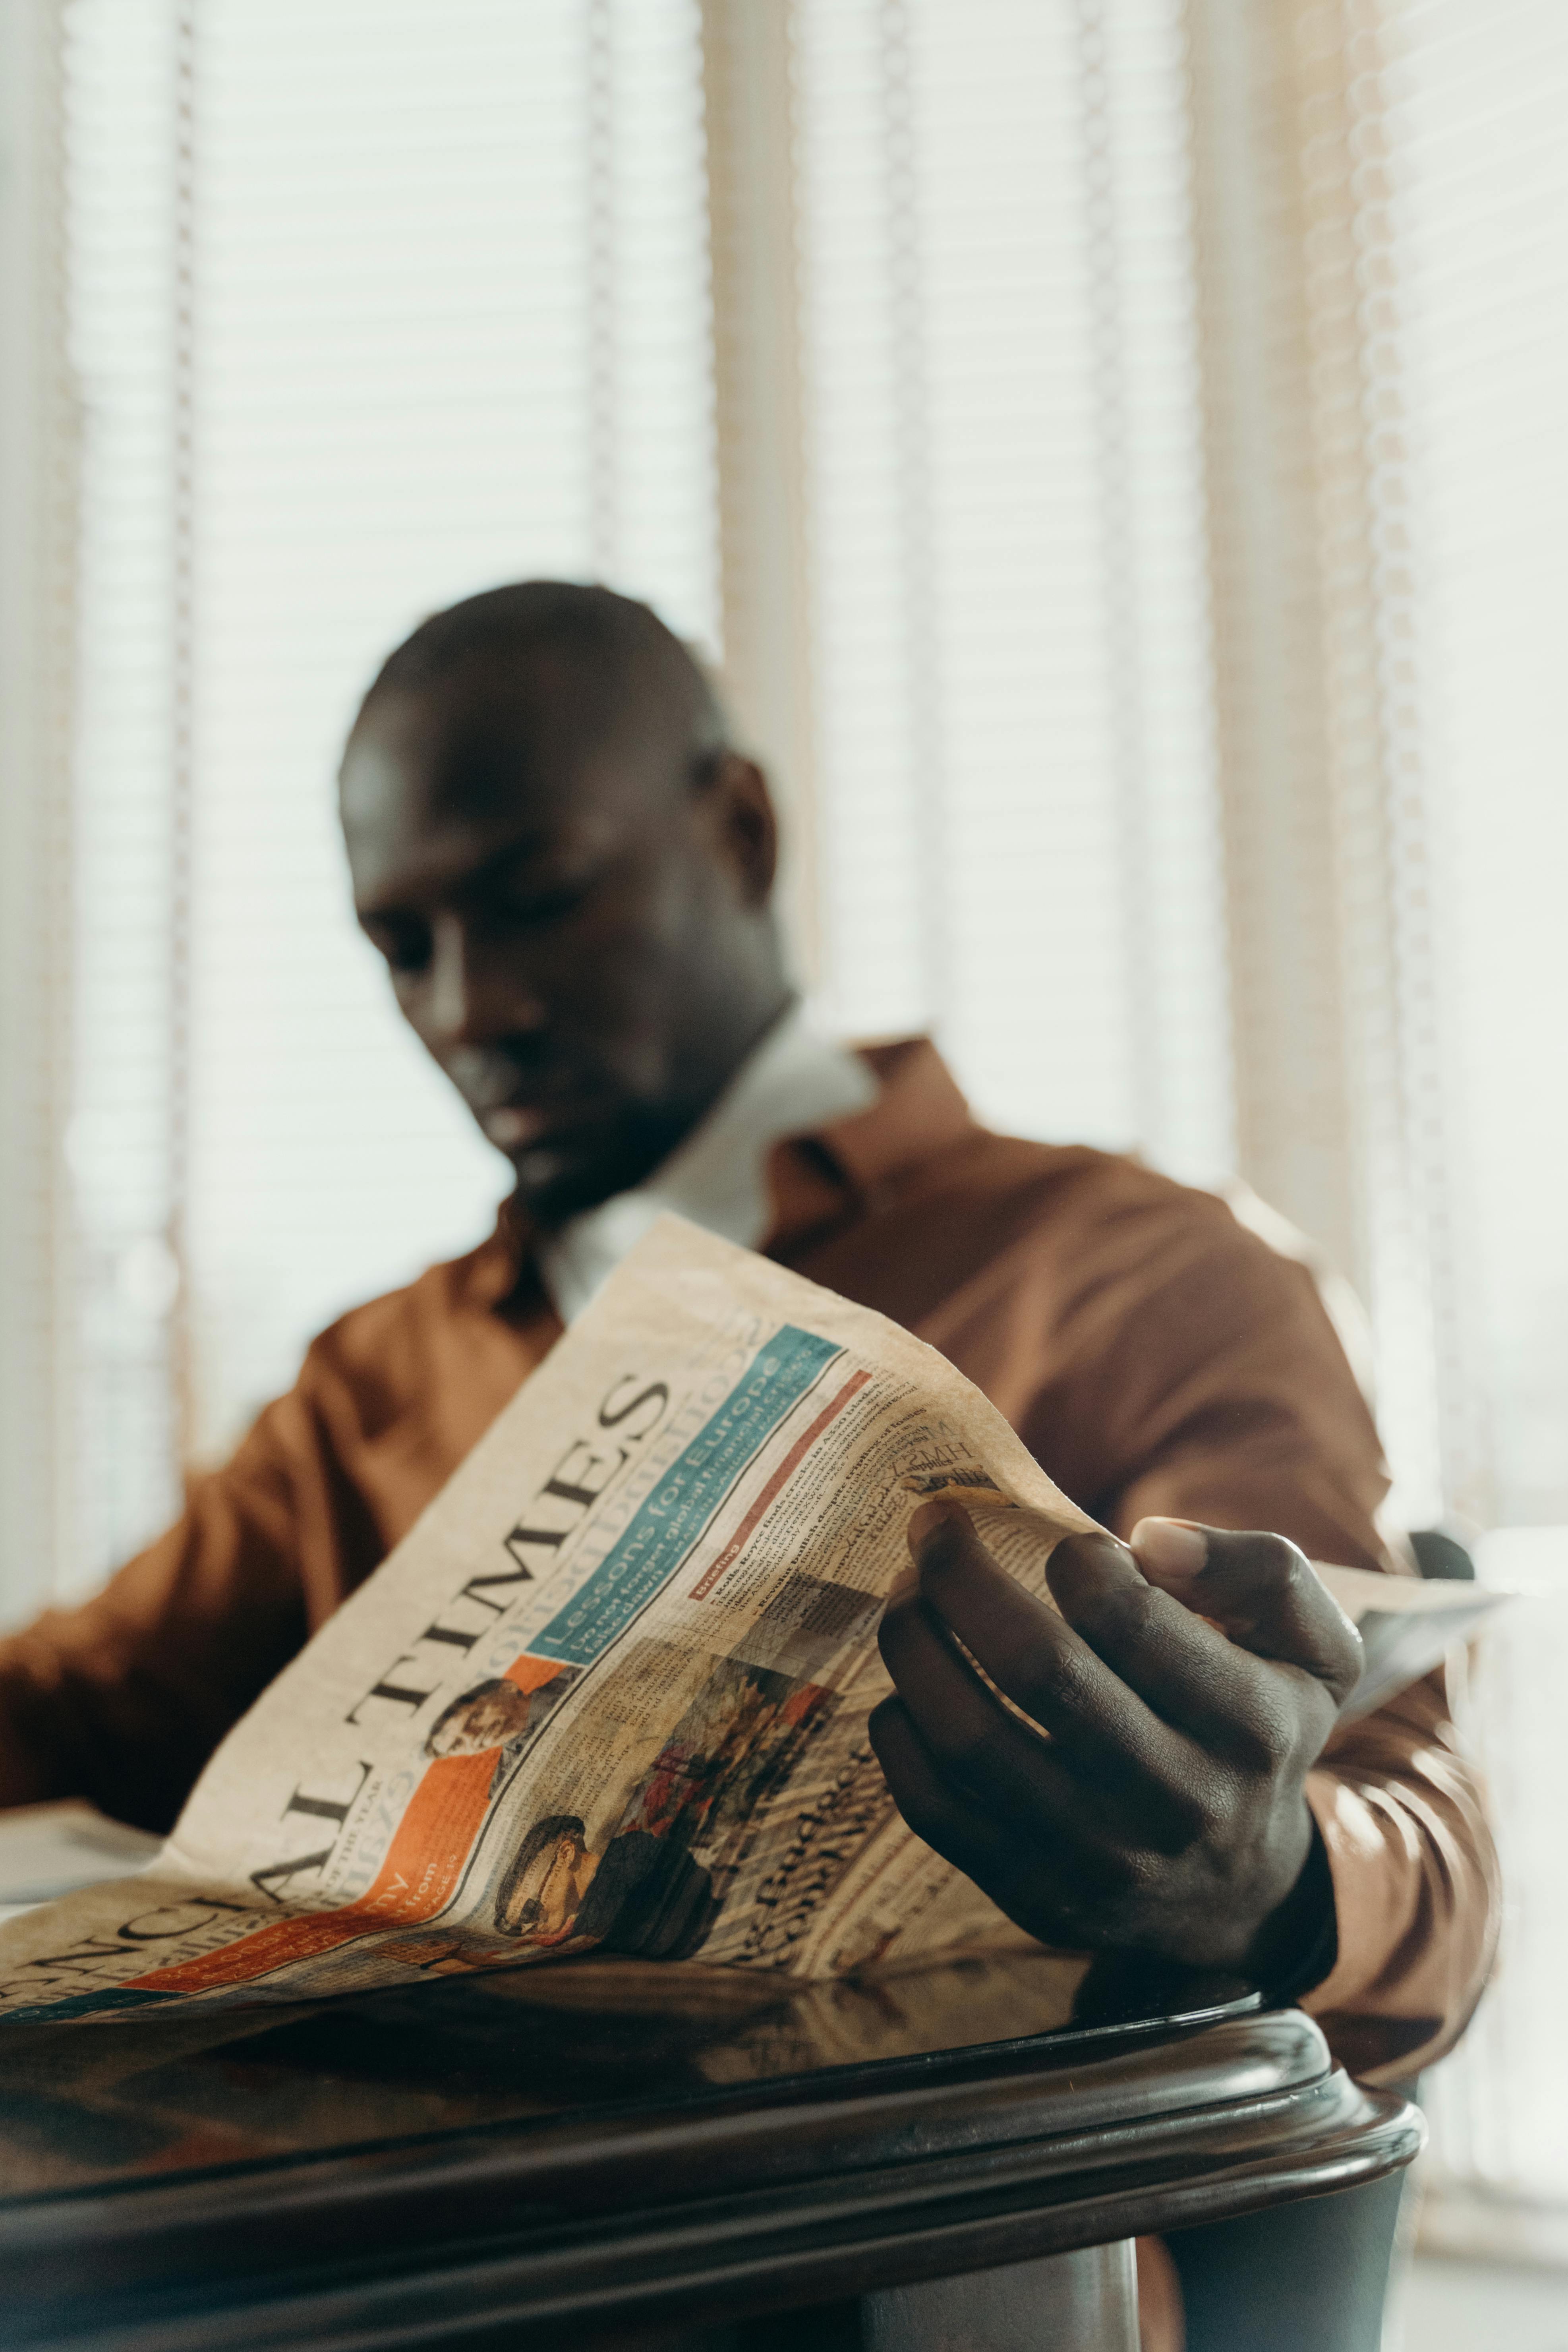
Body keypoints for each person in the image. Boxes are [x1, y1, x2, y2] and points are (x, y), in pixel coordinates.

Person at [0, 582, 1496, 2087]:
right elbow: (76, 1714)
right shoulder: (372, 1377)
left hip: (935, 2263)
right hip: (410, 2240)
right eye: (403, 944)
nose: (472, 1007)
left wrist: (1272, 1870)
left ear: (740, 834)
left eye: (537, 899)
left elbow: (1417, 1840)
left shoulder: (1142, 1271)